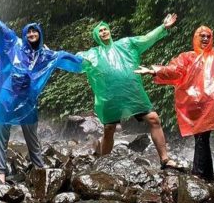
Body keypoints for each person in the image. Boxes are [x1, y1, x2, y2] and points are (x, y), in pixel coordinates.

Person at [0, 1, 83, 180]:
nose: (31, 34)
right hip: (7, 97)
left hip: (27, 101)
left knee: (31, 135)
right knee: (1, 134)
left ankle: (39, 168)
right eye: (28, 31)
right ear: (25, 34)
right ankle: (1, 172)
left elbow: (63, 56)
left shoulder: (45, 55)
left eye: (34, 31)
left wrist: (84, 60)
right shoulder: (15, 45)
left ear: (39, 34)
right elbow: (3, 29)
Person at [137, 15, 214, 182]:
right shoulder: (187, 57)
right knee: (202, 139)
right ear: (196, 38)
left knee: (202, 138)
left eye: (208, 36)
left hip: (210, 107)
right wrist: (154, 70)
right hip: (194, 108)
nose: (205, 39)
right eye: (202, 36)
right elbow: (174, 70)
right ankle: (205, 175)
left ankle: (199, 174)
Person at [78, 14, 185, 169]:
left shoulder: (126, 44)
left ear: (109, 31)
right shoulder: (93, 53)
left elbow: (146, 39)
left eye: (105, 29)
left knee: (154, 119)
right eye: (99, 31)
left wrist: (163, 27)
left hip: (133, 94)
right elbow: (75, 60)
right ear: (97, 36)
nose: (103, 32)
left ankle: (165, 159)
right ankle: (103, 165)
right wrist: (54, 57)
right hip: (111, 99)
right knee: (109, 130)